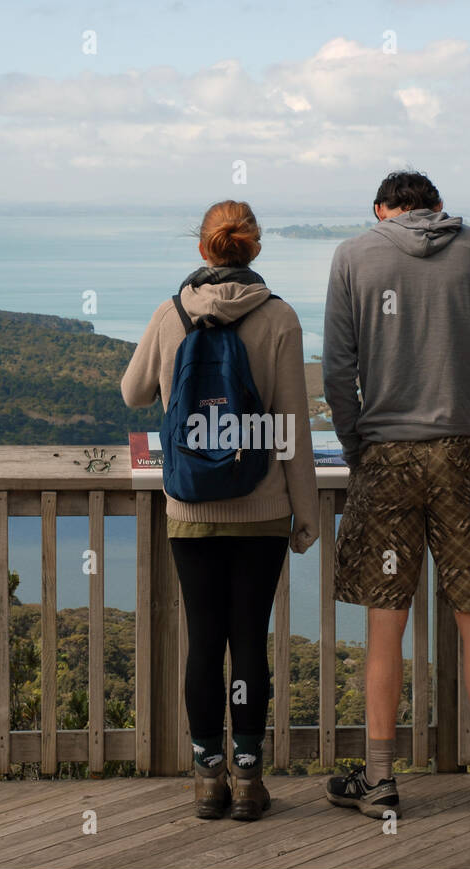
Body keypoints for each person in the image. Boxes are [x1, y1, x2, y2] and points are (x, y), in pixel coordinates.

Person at [321, 170, 470, 817]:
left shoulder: (354, 255)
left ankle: (382, 783)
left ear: (381, 210)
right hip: (464, 454)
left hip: (385, 456)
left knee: (385, 621)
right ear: (439, 208)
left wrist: (358, 444)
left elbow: (336, 369)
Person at [121, 200, 318, 821]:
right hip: (261, 508)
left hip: (191, 510)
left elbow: (133, 394)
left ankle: (208, 781)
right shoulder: (280, 317)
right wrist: (305, 510)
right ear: (253, 247)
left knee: (203, 642)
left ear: (204, 248)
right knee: (249, 642)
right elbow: (291, 426)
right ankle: (250, 779)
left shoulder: (171, 312)